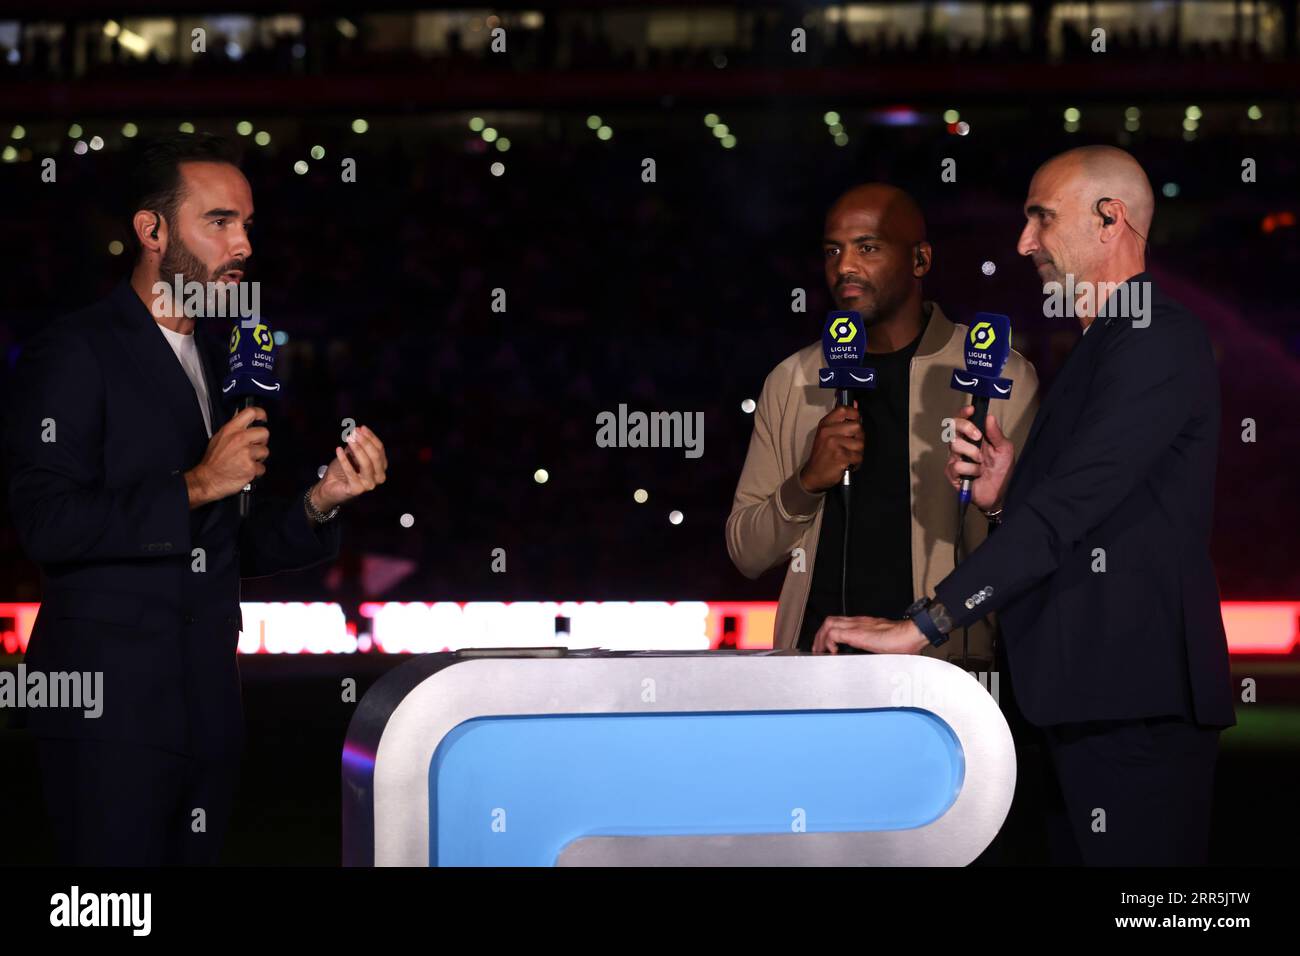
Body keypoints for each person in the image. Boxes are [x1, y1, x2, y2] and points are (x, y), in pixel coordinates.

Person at [812, 146, 1235, 865]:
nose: (1023, 242)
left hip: (1132, 706)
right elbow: (1076, 519)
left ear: (1111, 220)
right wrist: (1007, 496)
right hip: (1083, 704)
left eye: (1041, 218)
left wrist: (927, 621)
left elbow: (1066, 515)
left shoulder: (1157, 338)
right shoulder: (1104, 347)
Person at [5, 132, 389, 865]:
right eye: (219, 222)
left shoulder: (223, 357)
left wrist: (318, 502)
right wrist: (197, 483)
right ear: (151, 231)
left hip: (209, 710)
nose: (242, 243)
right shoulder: (75, 351)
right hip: (105, 713)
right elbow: (48, 525)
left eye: (246, 224)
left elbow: (221, 541)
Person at [726, 183, 1038, 667]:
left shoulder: (1001, 377)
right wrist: (806, 483)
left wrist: (997, 509)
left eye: (867, 248)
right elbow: (746, 552)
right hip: (817, 668)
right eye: (833, 251)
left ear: (920, 261)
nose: (844, 267)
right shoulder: (792, 380)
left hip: (943, 672)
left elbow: (1035, 544)